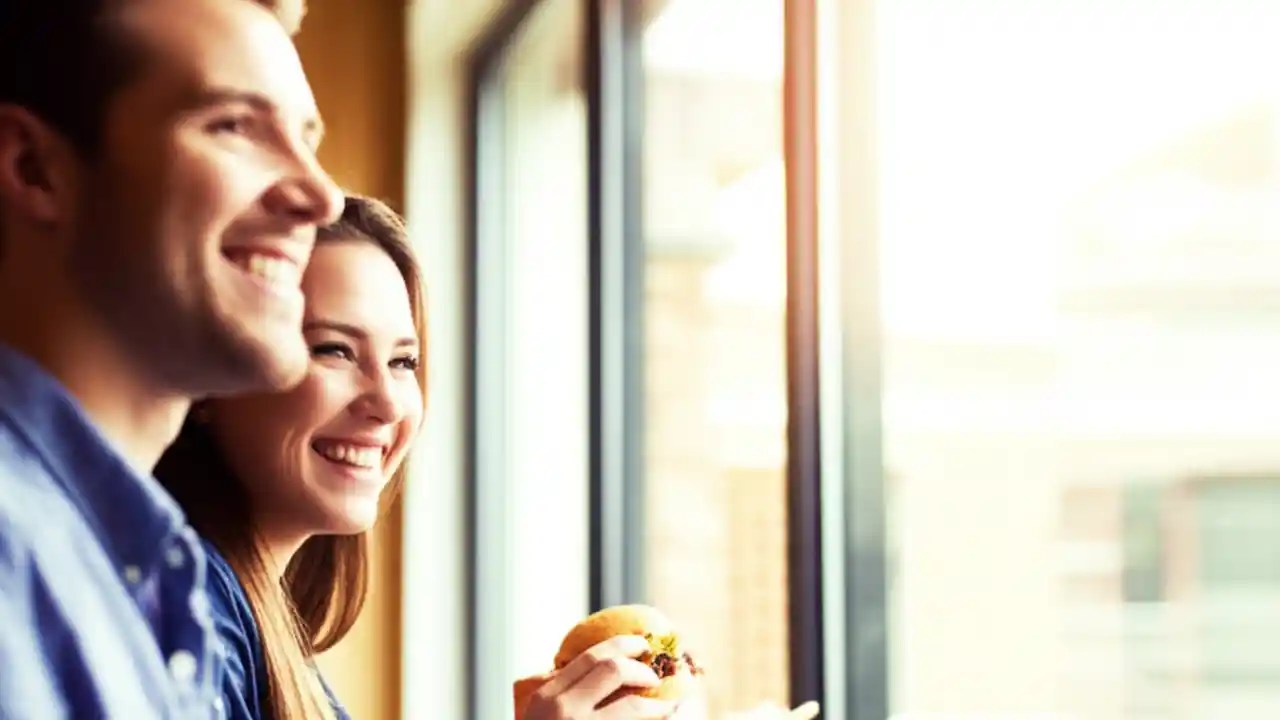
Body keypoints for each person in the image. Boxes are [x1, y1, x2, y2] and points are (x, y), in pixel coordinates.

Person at [157, 195, 689, 720]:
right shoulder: (192, 620)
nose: (387, 401)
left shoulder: (263, 628)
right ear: (213, 374)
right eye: (334, 350)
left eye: (403, 360)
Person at [0, 0, 342, 715]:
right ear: (33, 168)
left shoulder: (142, 570)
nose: (322, 195)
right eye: (236, 127)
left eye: (307, 138)